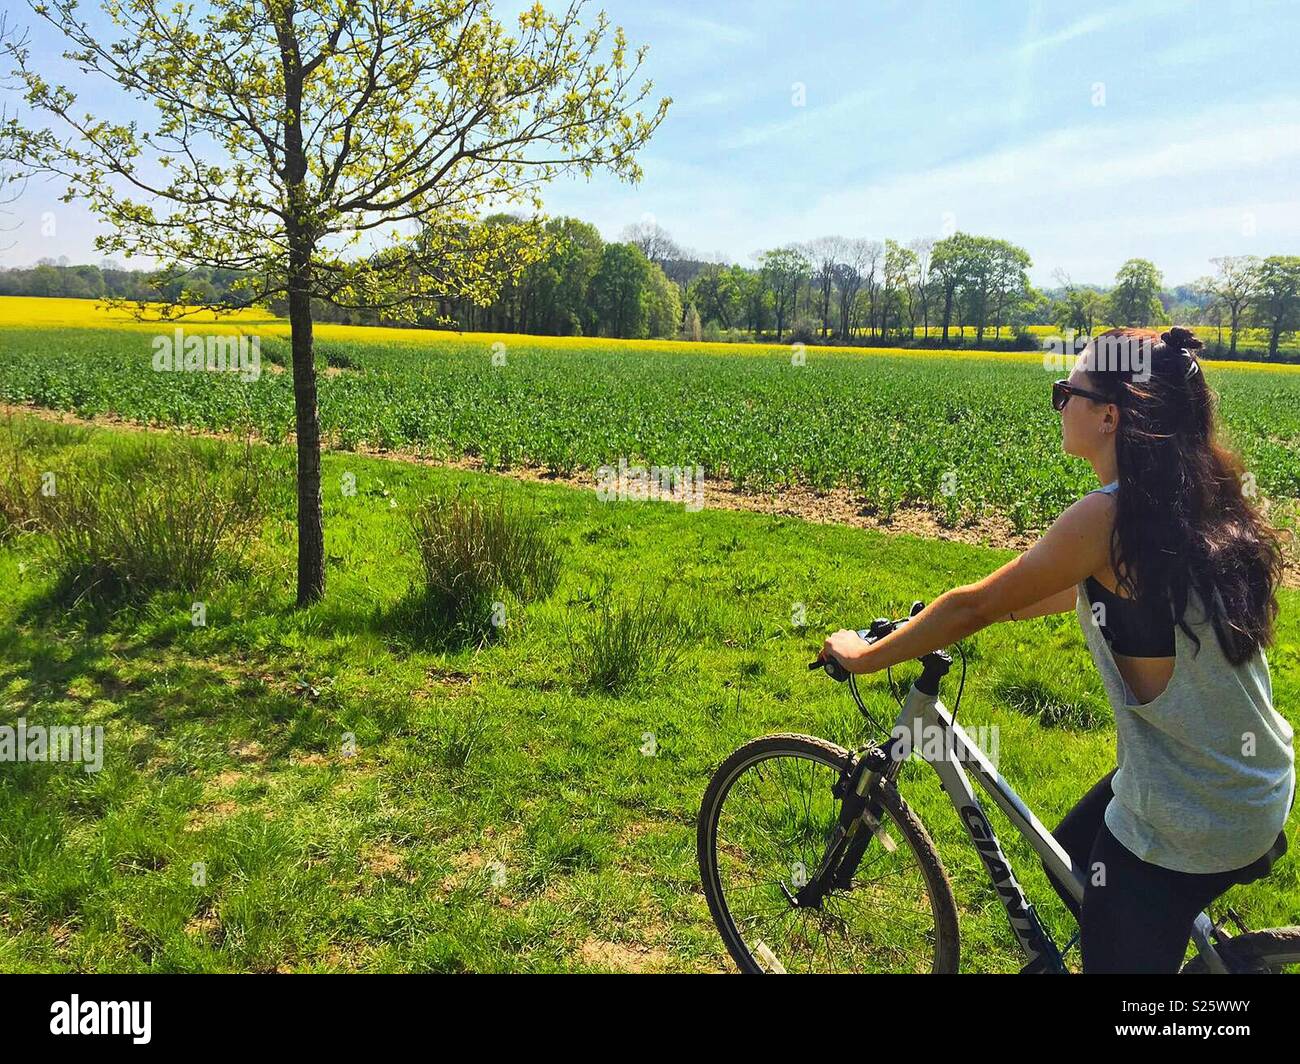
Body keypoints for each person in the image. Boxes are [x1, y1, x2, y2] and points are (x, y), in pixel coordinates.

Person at [817, 326, 1295, 973]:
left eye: (1066, 391)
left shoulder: (1108, 518)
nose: (1059, 402)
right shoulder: (1188, 499)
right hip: (1247, 778)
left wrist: (863, 654)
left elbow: (977, 605)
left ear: (1109, 415)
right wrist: (934, 621)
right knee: (1069, 852)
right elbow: (1039, 592)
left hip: (1195, 813)